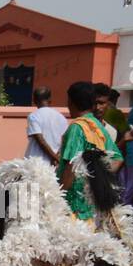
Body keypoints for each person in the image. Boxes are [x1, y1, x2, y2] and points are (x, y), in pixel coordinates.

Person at [56, 81, 123, 222]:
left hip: (73, 205)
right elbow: (117, 159)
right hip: (91, 204)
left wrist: (56, 198)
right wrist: (97, 178)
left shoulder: (77, 127)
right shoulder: (97, 125)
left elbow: (71, 166)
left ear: (71, 102)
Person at [24, 86, 67, 165]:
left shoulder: (33, 116)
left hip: (35, 163)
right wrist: (57, 157)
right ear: (50, 100)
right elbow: (64, 139)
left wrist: (54, 157)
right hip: (54, 164)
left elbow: (40, 140)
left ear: (34, 101)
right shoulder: (61, 117)